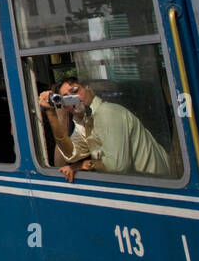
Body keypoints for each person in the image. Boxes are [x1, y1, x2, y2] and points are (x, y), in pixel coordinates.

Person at [39, 76, 171, 182]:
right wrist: (50, 113)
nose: (73, 99)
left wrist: (82, 166)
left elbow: (117, 167)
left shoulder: (107, 113)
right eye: (66, 99)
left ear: (88, 89)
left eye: (75, 91)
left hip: (154, 184)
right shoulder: (86, 121)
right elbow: (71, 154)